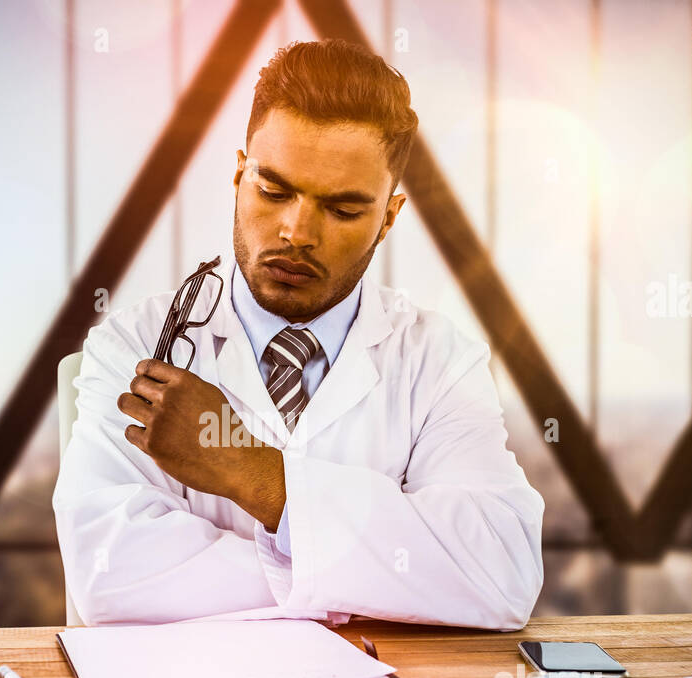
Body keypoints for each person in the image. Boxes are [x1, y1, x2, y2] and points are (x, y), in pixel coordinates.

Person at [53, 39, 543, 628]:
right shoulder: (131, 347)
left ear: (388, 217)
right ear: (239, 177)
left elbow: (500, 573)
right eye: (274, 191)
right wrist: (371, 582)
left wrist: (253, 472)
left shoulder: (439, 360)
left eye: (342, 209)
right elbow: (109, 578)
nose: (296, 231)